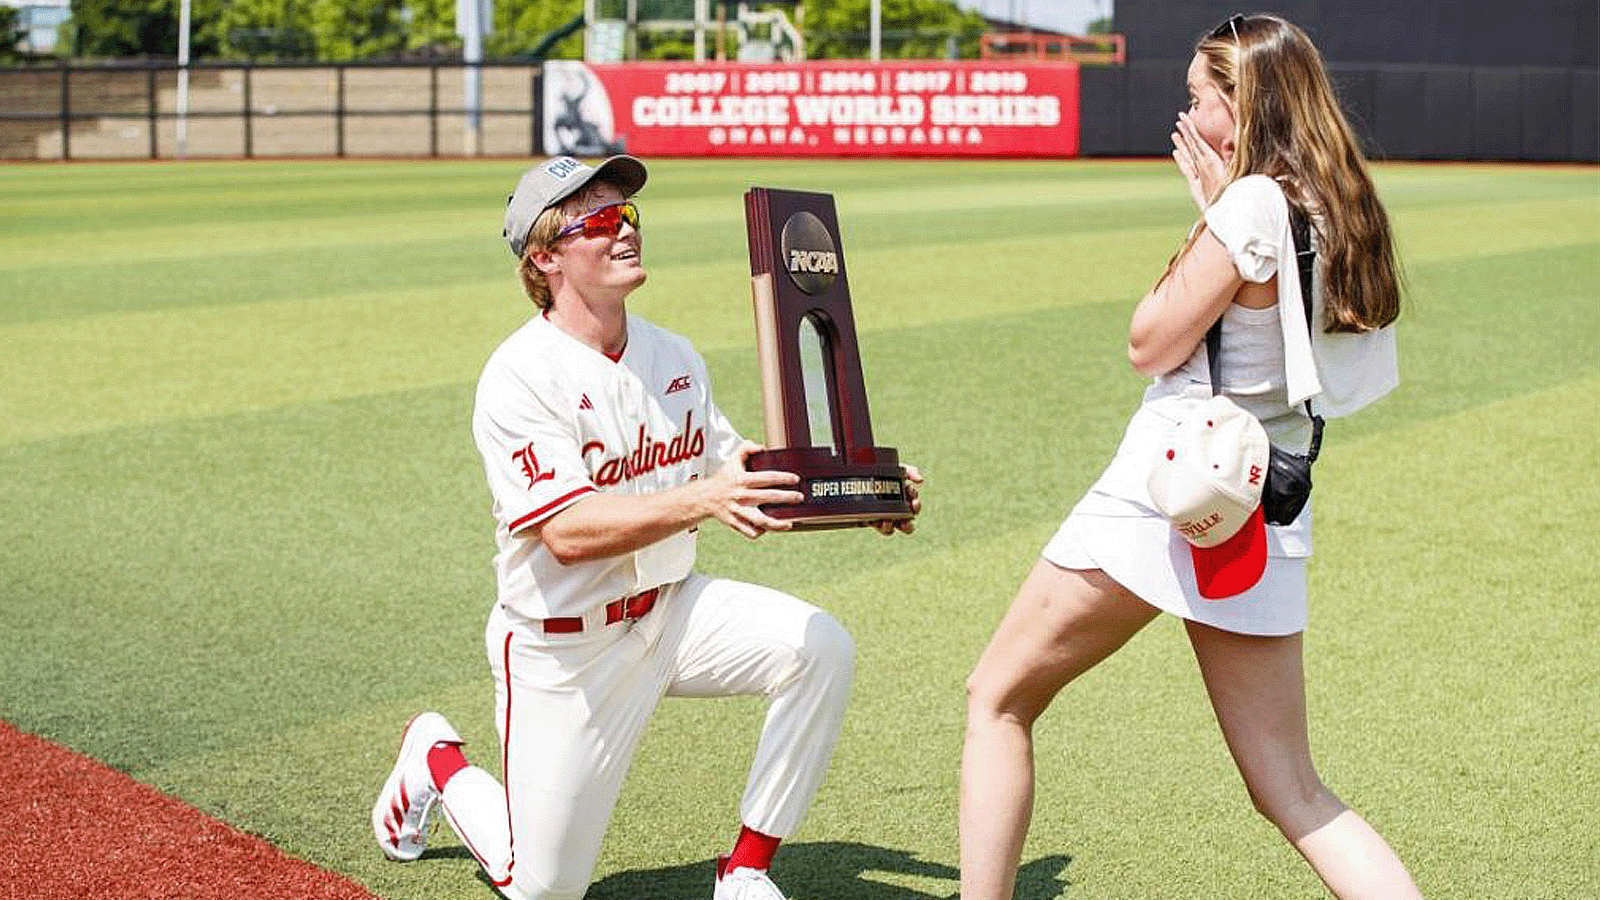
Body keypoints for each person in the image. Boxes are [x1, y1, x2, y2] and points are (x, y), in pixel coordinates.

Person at [959, 15, 1424, 900]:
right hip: (1266, 497)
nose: (1188, 114)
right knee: (1294, 791)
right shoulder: (1333, 200)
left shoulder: (1253, 202)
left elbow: (1148, 341)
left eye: (1198, 98)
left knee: (997, 697)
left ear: (1239, 105)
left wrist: (1213, 214)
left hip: (1166, 487)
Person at [372, 155, 921, 900]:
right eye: (599, 220)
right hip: (565, 649)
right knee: (543, 890)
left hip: (671, 610)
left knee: (819, 647)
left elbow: (738, 469)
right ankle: (436, 758)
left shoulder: (674, 355)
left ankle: (746, 869)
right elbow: (567, 530)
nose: (625, 230)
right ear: (544, 256)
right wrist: (701, 501)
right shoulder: (520, 374)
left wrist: (860, 493)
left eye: (628, 216)